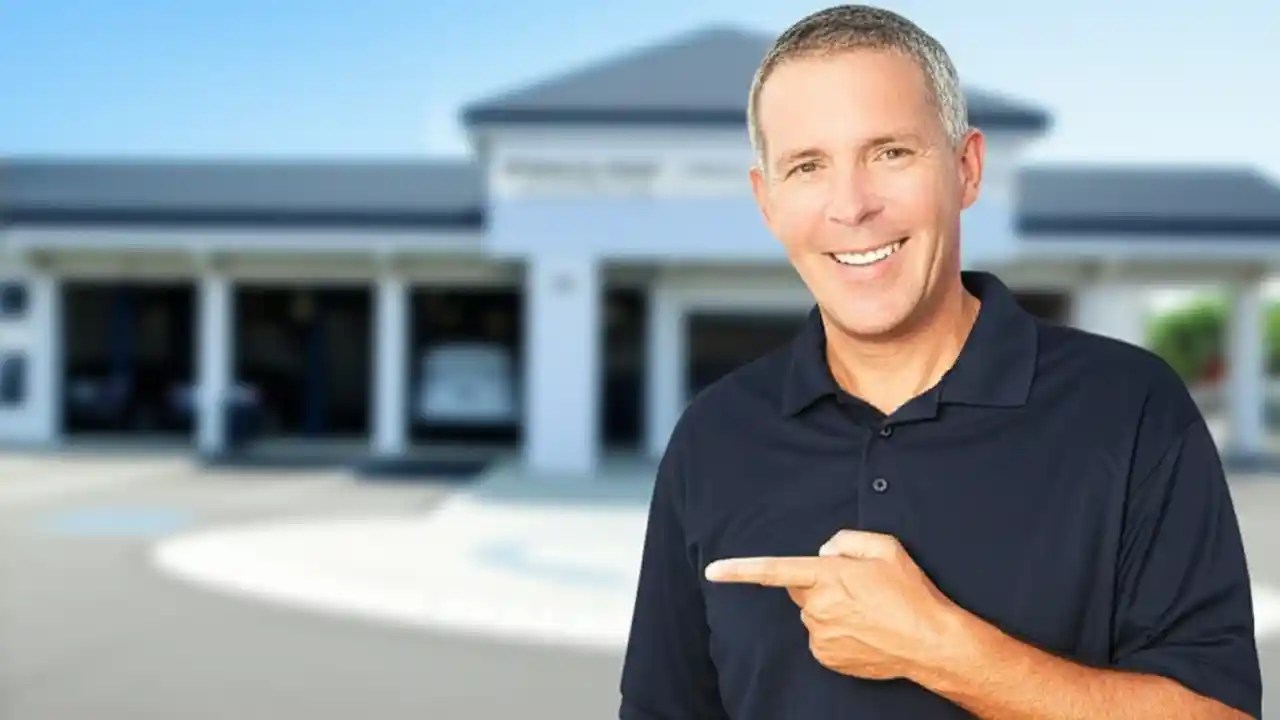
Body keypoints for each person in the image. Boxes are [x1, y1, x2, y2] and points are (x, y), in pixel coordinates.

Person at [618, 5, 1262, 719]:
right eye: (808, 166)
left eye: (890, 152)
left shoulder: (1130, 409)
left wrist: (937, 648)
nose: (852, 205)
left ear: (967, 168)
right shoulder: (714, 437)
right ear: (767, 202)